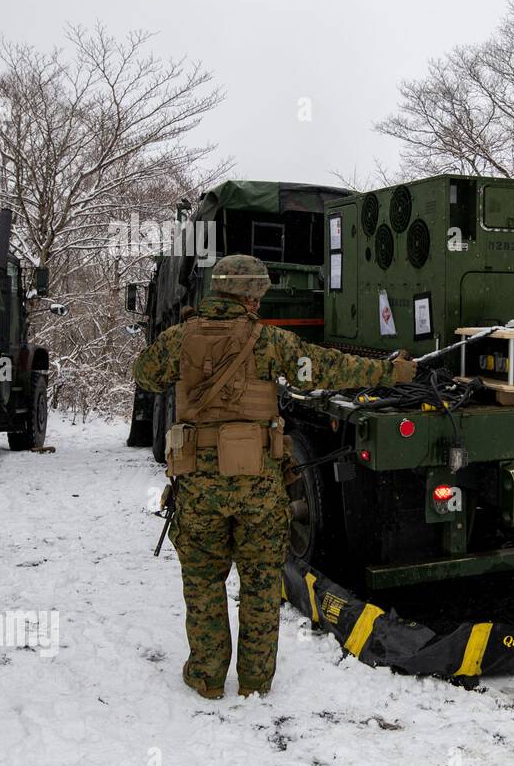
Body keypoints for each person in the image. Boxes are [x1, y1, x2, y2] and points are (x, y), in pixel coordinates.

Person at [133, 255, 418, 699]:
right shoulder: (269, 342)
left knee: (204, 583)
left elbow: (145, 375)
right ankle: (255, 681)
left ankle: (207, 678)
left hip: (198, 487)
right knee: (262, 585)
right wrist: (389, 372)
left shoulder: (180, 338)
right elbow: (327, 368)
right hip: (259, 489)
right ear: (251, 296)